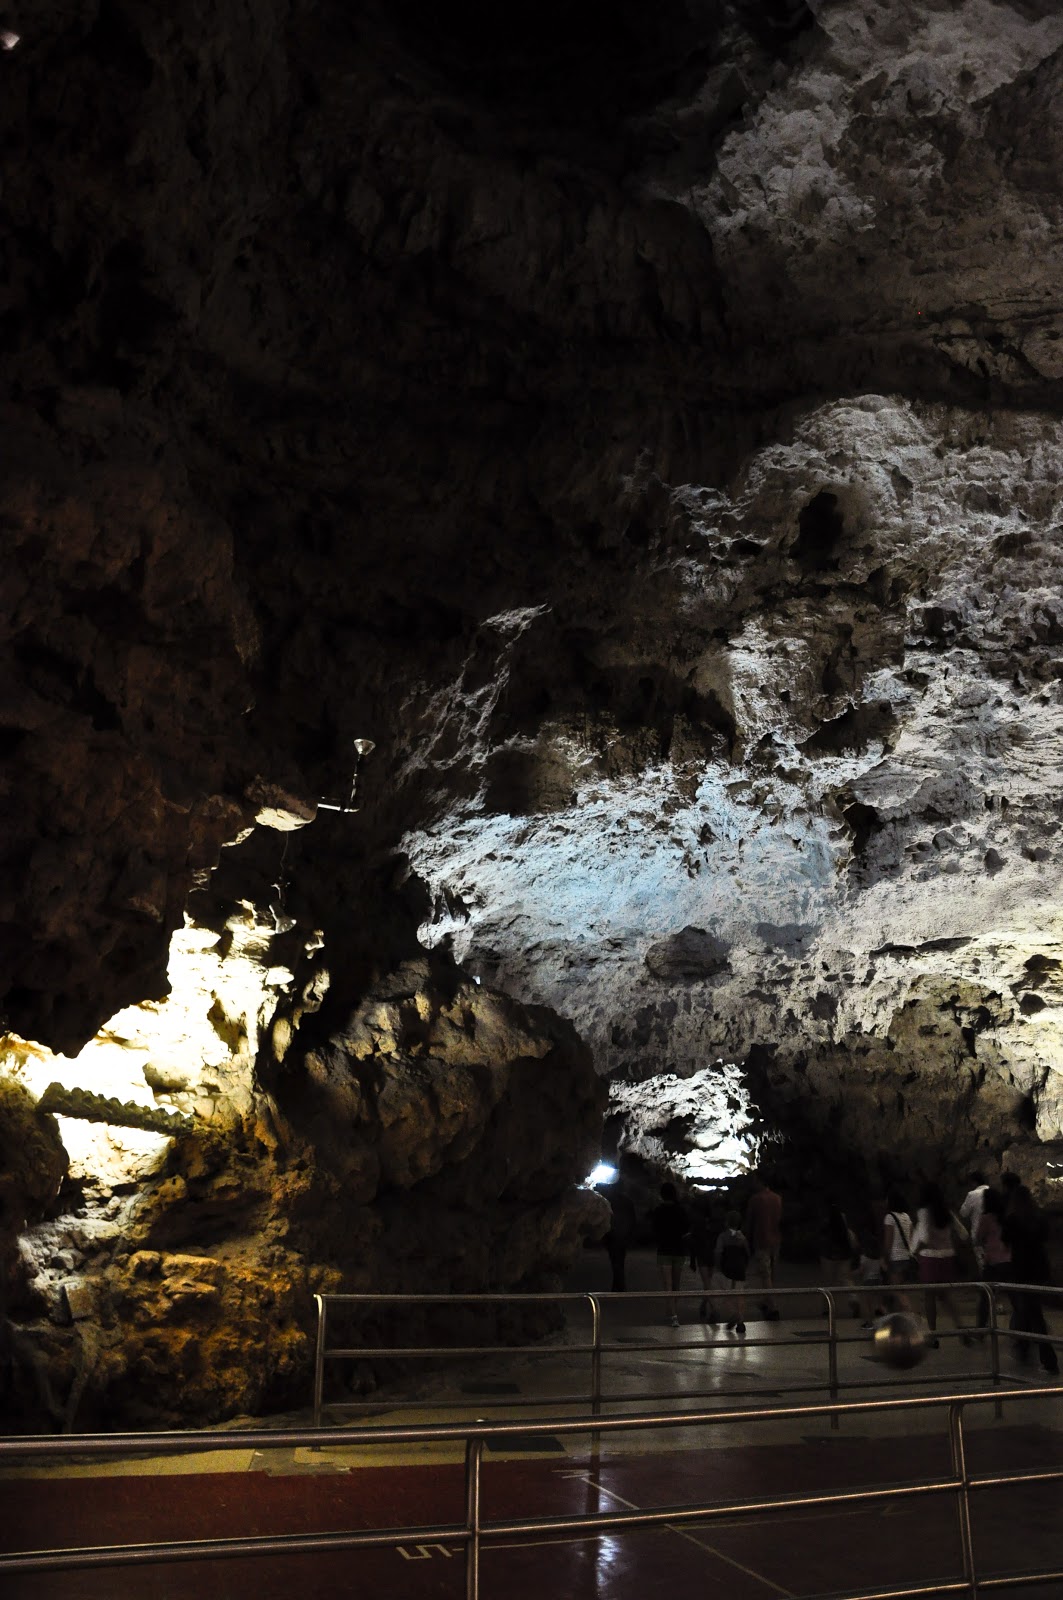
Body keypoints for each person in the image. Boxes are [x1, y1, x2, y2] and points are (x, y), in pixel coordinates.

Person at [1002, 1177, 1059, 1374]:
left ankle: (1049, 1360)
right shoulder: (1039, 1218)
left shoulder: (1012, 1219)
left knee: (1033, 1314)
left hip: (1021, 1269)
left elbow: (1006, 1241)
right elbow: (1045, 1237)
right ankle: (1024, 1349)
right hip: (1039, 1268)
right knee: (1028, 1311)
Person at [910, 1180, 967, 1345]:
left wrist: (913, 1250)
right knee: (946, 1296)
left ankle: (932, 1335)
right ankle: (962, 1329)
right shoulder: (946, 1212)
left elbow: (924, 1237)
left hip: (929, 1257)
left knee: (929, 1297)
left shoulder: (924, 1212)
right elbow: (963, 1233)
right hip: (947, 1257)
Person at [744, 1172, 782, 1320]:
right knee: (771, 1274)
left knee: (765, 1274)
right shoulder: (778, 1198)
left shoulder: (756, 1199)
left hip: (761, 1240)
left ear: (760, 1182)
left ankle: (773, 1307)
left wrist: (746, 1241)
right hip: (776, 1240)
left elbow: (750, 1221)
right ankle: (766, 1301)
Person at [652, 1182, 689, 1327]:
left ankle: (672, 1313)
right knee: (676, 1283)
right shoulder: (681, 1210)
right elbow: (686, 1228)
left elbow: (654, 1229)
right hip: (678, 1250)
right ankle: (673, 1310)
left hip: (664, 1250)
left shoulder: (658, 1211)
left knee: (667, 1283)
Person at [819, 1198, 860, 1318]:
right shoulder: (842, 1217)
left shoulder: (826, 1220)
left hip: (829, 1254)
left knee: (828, 1282)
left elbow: (822, 1236)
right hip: (845, 1252)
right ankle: (853, 1298)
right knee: (846, 1279)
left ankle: (828, 1308)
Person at [713, 1210, 749, 1334]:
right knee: (740, 1294)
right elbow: (747, 1253)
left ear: (727, 1222)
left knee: (726, 1293)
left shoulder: (723, 1237)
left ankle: (734, 1314)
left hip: (727, 1269)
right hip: (740, 1269)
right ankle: (741, 1320)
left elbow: (718, 1252)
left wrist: (718, 1266)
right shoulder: (742, 1237)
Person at [881, 1188, 915, 1312]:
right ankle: (900, 1317)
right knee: (901, 1289)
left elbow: (888, 1242)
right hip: (906, 1257)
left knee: (897, 1291)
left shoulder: (889, 1218)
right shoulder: (907, 1217)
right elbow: (911, 1238)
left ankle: (910, 1316)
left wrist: (884, 1259)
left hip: (895, 1258)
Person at [688, 1197, 722, 1322]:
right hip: (711, 1255)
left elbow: (693, 1242)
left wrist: (692, 1260)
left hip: (701, 1255)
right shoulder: (715, 1222)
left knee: (706, 1283)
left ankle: (713, 1309)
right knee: (708, 1282)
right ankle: (705, 1305)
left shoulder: (697, 1223)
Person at [601, 1181, 637, 1292]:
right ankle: (619, 1285)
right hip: (623, 1235)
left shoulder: (609, 1200)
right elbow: (632, 1219)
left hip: (613, 1235)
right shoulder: (627, 1201)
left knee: (615, 1261)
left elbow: (605, 1217)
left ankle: (618, 1285)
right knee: (620, 1260)